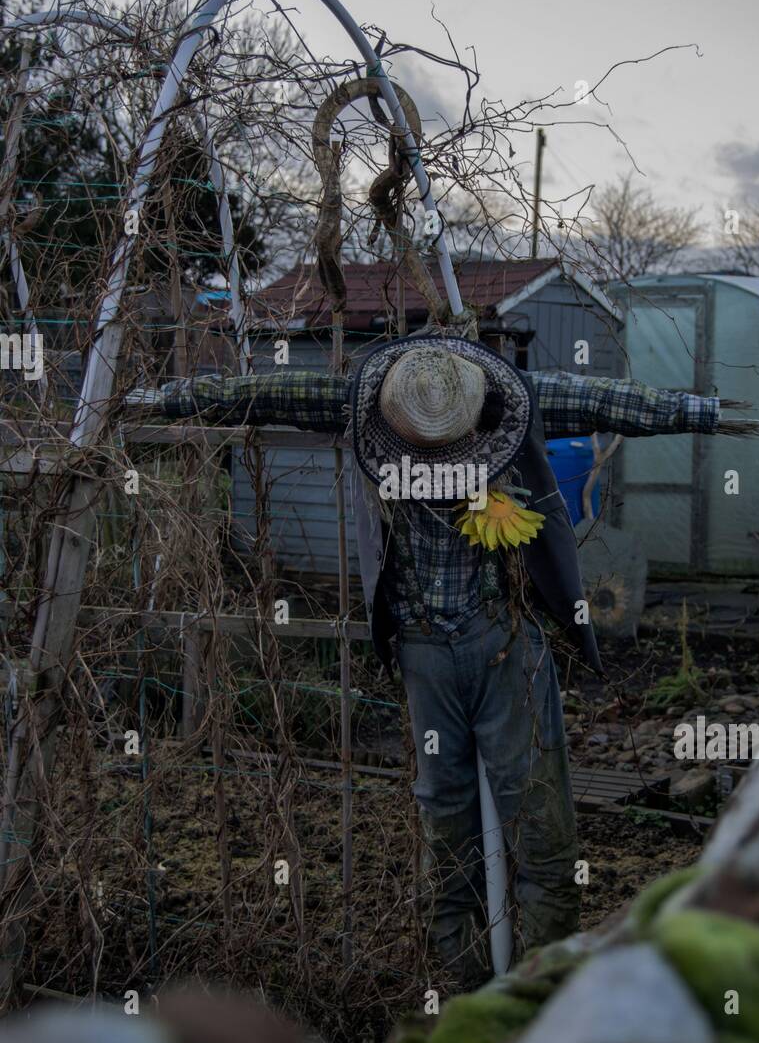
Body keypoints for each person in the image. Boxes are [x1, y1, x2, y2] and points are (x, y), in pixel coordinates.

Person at [134, 330, 721, 985]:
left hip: (505, 640)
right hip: (422, 648)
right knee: (444, 828)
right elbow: (266, 391)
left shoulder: (510, 400)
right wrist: (170, 397)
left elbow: (606, 400)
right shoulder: (365, 400)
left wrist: (705, 411)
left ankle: (536, 1000)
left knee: (542, 830)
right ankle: (463, 999)